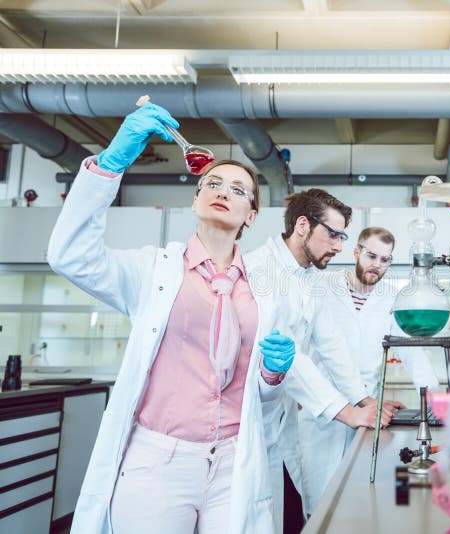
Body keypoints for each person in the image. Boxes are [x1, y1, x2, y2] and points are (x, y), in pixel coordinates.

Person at [47, 103, 296, 534]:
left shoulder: (265, 292)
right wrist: (109, 165)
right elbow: (69, 256)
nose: (223, 190)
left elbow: (261, 400)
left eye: (239, 189)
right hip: (159, 461)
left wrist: (272, 376)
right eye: (212, 182)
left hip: (236, 461)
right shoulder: (152, 271)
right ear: (196, 199)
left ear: (251, 215)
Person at [244, 191, 401, 530]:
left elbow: (331, 345)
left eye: (343, 237)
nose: (339, 246)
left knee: (274, 514)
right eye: (333, 235)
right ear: (303, 225)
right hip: (244, 419)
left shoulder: (308, 278)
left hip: (275, 417)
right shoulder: (262, 270)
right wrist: (349, 412)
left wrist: (365, 399)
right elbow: (289, 356)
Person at [298, 226, 441, 513]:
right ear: (356, 252)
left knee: (360, 497)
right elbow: (300, 347)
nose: (377, 265)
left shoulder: (391, 299)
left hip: (366, 412)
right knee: (319, 502)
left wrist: (435, 398)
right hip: (323, 409)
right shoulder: (322, 289)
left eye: (385, 260)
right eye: (372, 255)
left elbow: (410, 350)